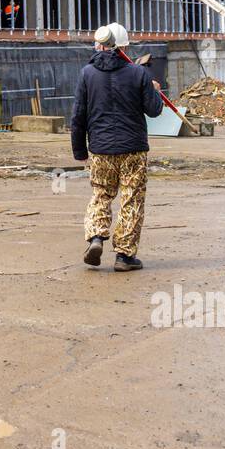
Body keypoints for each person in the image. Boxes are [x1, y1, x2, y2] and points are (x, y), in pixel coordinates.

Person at [70, 24, 164, 271]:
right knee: (131, 199)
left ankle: (97, 237)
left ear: (99, 45)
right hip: (133, 148)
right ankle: (124, 256)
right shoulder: (138, 74)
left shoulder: (87, 73)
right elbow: (154, 110)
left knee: (101, 194)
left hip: (101, 149)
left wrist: (79, 150)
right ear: (124, 47)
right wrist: (154, 91)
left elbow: (78, 115)